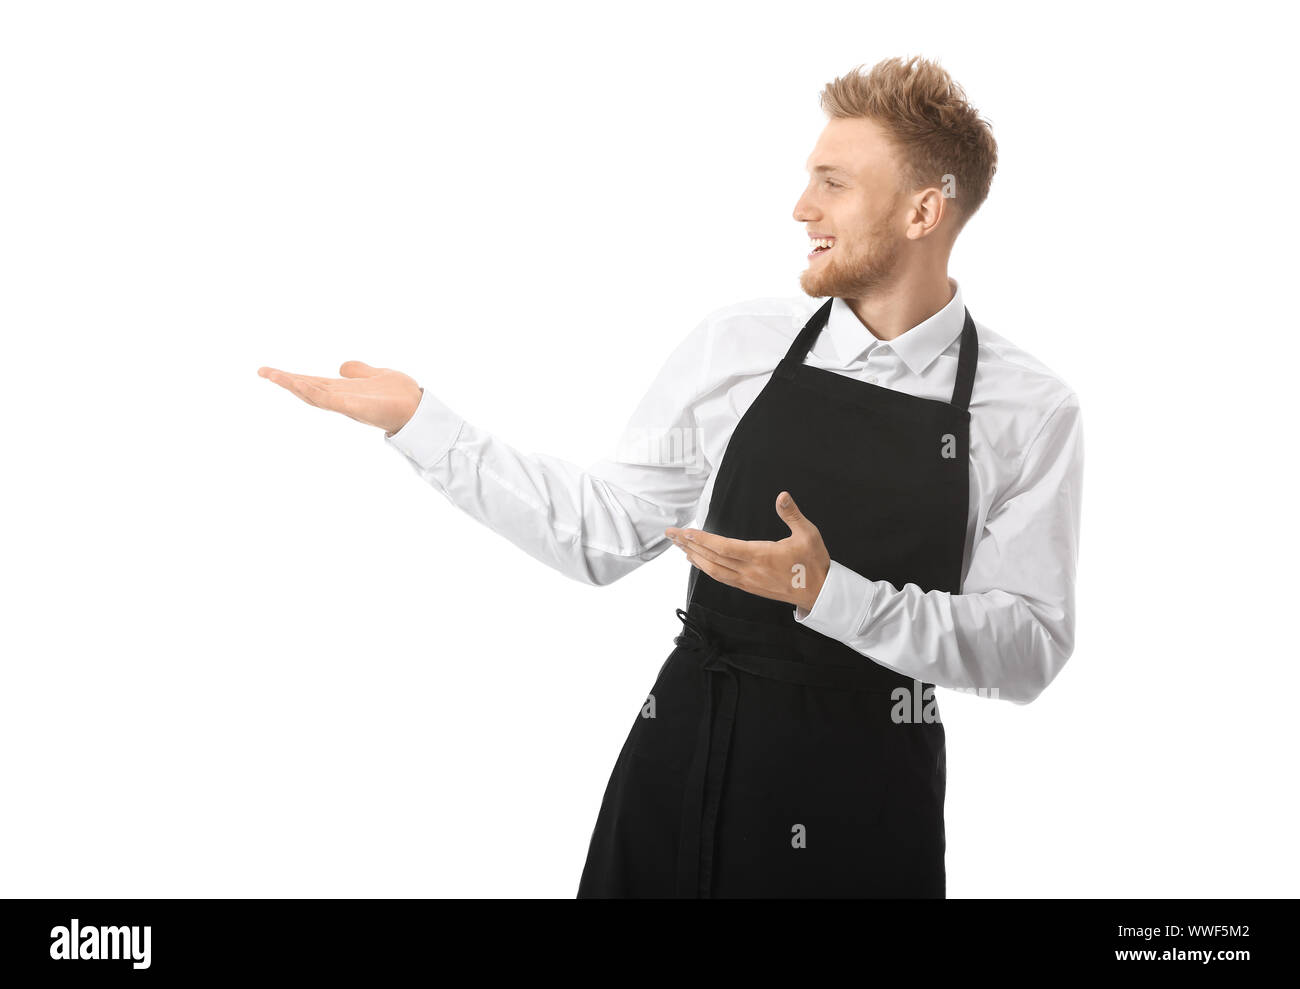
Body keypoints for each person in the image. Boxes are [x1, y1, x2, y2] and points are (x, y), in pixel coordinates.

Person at [258, 55, 1083, 898]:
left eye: (832, 183)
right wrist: (422, 421)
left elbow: (1028, 648)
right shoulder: (740, 343)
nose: (802, 208)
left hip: (870, 803)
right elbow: (604, 533)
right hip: (689, 757)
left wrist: (828, 592)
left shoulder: (1030, 410)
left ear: (923, 209)